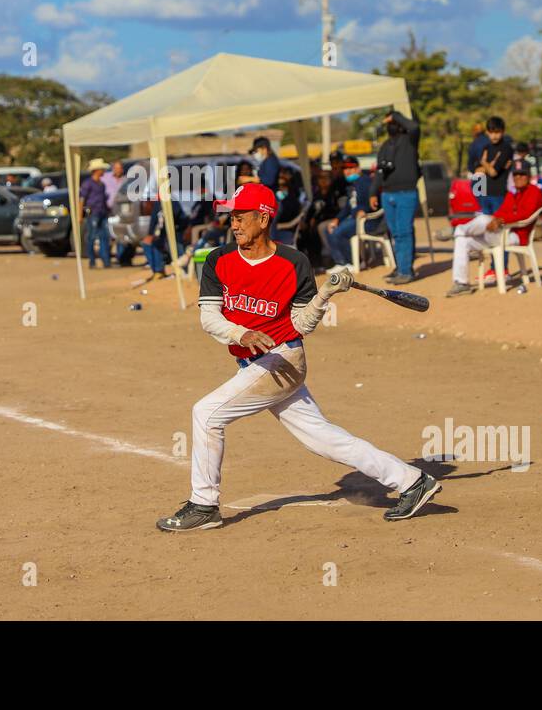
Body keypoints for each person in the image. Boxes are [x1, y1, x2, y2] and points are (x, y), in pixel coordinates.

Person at [155, 181, 439, 531]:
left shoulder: (293, 262)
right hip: (254, 364)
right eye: (231, 217)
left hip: (282, 361)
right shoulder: (219, 259)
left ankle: (204, 504)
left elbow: (301, 325)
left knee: (206, 414)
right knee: (324, 439)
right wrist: (240, 333)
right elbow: (209, 318)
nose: (234, 223)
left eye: (241, 216)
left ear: (263, 218)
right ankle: (412, 480)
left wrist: (325, 294)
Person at [444, 165, 542, 297]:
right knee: (462, 240)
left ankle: (456, 230)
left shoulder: (535, 191)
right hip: (501, 234)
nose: (518, 177)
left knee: (483, 219)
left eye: (522, 174)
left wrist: (501, 220)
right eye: (516, 175)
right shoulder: (512, 194)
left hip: (517, 236)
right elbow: (499, 213)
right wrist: (498, 219)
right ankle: (462, 283)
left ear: (529, 177)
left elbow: (526, 214)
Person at [370, 108, 421, 284]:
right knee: (395, 233)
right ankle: (401, 267)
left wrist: (396, 115)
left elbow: (414, 126)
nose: (390, 125)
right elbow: (379, 170)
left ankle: (406, 271)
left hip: (406, 193)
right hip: (387, 193)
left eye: (393, 122)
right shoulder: (385, 145)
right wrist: (373, 192)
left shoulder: (410, 140)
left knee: (404, 231)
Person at [321, 156, 368, 272]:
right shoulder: (352, 185)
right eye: (345, 168)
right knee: (330, 228)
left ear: (358, 168)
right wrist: (337, 219)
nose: (347, 171)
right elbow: (347, 207)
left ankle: (355, 261)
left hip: (367, 220)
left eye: (350, 168)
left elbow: (372, 202)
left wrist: (364, 210)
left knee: (339, 232)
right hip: (353, 219)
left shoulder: (365, 182)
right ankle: (341, 262)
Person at [79, 158, 112, 269]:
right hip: (93, 213)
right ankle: (92, 261)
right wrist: (79, 215)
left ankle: (106, 260)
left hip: (102, 212)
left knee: (104, 237)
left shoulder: (101, 184)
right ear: (97, 170)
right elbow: (81, 200)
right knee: (92, 237)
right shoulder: (88, 184)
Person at [475, 116, 513, 214]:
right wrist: (489, 166)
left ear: (503, 132)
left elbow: (493, 173)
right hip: (483, 192)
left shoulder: (506, 148)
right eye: (491, 132)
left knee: (498, 225)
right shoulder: (486, 147)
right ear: (487, 132)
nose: (494, 135)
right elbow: (477, 171)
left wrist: (484, 163)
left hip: (498, 193)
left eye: (497, 132)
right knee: (485, 224)